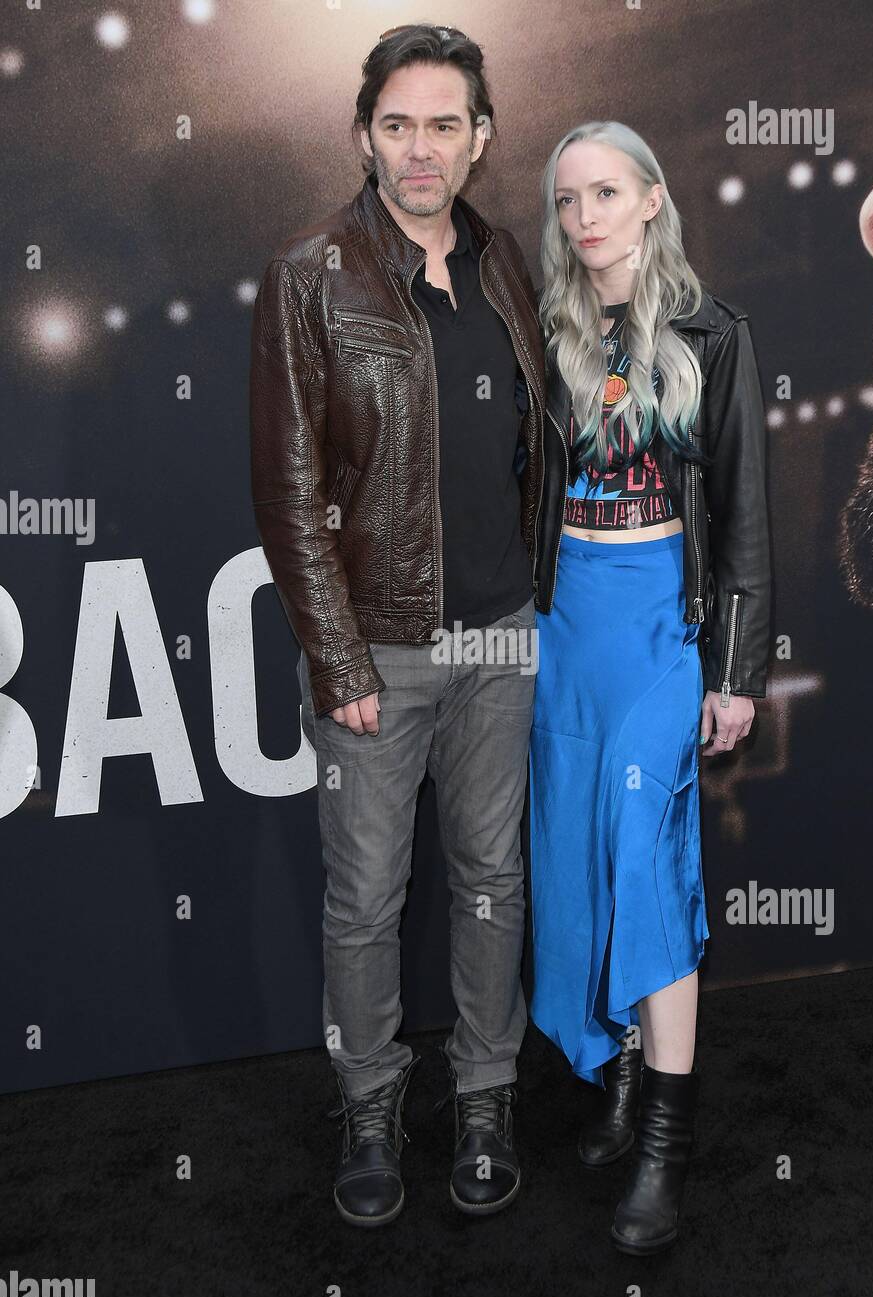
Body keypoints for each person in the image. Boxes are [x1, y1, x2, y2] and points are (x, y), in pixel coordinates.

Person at [248, 24, 546, 1227]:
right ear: (363, 133)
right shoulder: (311, 273)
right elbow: (286, 485)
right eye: (396, 124)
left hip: (503, 639)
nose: (419, 150)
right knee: (366, 898)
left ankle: (483, 1095)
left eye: (443, 124)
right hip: (382, 647)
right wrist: (338, 654)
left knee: (491, 881)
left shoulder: (508, 261)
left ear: (480, 139)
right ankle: (369, 1104)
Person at [528, 121, 772, 1254]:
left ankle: (665, 1140)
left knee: (643, 848)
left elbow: (745, 527)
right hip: (561, 629)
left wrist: (736, 673)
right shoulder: (544, 333)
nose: (586, 218)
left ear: (653, 199)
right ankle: (619, 1083)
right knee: (577, 862)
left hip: (662, 632)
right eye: (568, 198)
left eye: (607, 193)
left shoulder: (714, 335)